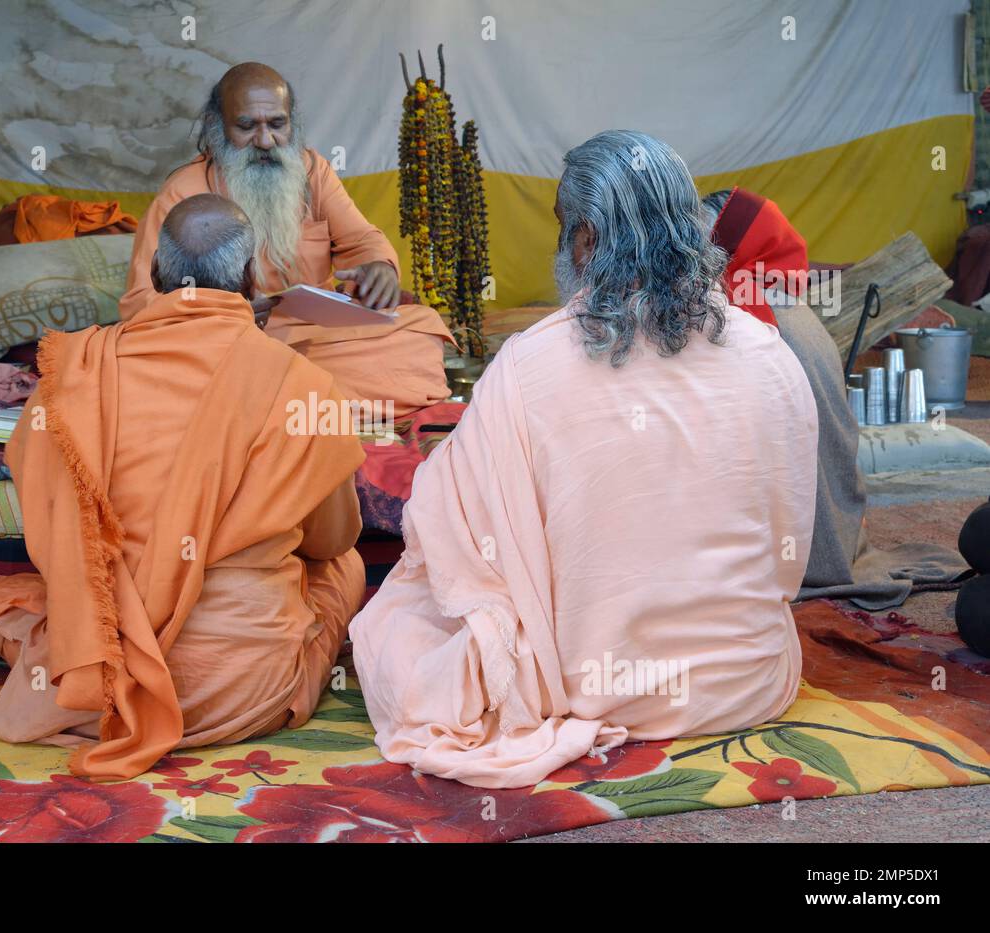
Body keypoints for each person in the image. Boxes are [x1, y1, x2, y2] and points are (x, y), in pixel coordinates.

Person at [350, 131, 820, 788]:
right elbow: (787, 549)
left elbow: (455, 539)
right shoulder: (768, 353)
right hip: (746, 682)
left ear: (587, 242)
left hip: (594, 688)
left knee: (392, 623)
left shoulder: (527, 367)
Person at [0, 193, 366, 779]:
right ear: (250, 275)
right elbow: (331, 540)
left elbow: (47, 533)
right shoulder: (303, 385)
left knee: (8, 598)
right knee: (346, 567)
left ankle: (104, 665)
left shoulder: (75, 369)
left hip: (97, 689)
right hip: (243, 694)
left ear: (156, 272)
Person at [120, 62, 455, 418]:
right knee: (221, 368)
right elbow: (141, 304)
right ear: (218, 127)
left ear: (292, 123)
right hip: (237, 343)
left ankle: (280, 403)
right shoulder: (182, 193)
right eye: (247, 126)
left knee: (422, 328)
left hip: (323, 337)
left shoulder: (312, 171)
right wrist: (225, 319)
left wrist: (380, 268)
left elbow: (361, 239)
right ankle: (298, 400)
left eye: (277, 124)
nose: (265, 141)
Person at [705, 187, 967, 609]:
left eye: (701, 238)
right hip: (833, 513)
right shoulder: (777, 299)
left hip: (803, 522)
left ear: (724, 242)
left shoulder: (745, 315)